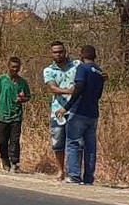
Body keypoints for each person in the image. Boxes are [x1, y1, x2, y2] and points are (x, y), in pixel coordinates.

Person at [63, 45, 105, 185]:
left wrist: (66, 107)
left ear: (82, 56)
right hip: (93, 113)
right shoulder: (99, 71)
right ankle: (88, 178)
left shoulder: (82, 68)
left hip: (79, 111)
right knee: (90, 146)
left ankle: (74, 175)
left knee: (73, 142)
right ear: (95, 56)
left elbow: (79, 86)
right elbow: (99, 94)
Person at [43, 41, 79, 182]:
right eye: (55, 52)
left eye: (61, 51)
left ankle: (74, 172)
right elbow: (52, 88)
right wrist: (69, 91)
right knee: (57, 142)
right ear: (51, 54)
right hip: (57, 111)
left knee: (74, 142)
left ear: (65, 51)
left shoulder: (76, 65)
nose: (59, 54)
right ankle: (60, 170)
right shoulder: (48, 70)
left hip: (75, 110)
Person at [0, 57, 32, 172]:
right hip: (3, 115)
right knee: (1, 140)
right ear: (8, 66)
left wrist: (22, 99)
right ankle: (4, 159)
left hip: (16, 116)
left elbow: (28, 96)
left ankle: (14, 162)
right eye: (13, 67)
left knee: (14, 140)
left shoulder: (22, 82)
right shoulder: (1, 80)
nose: (15, 69)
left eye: (17, 67)